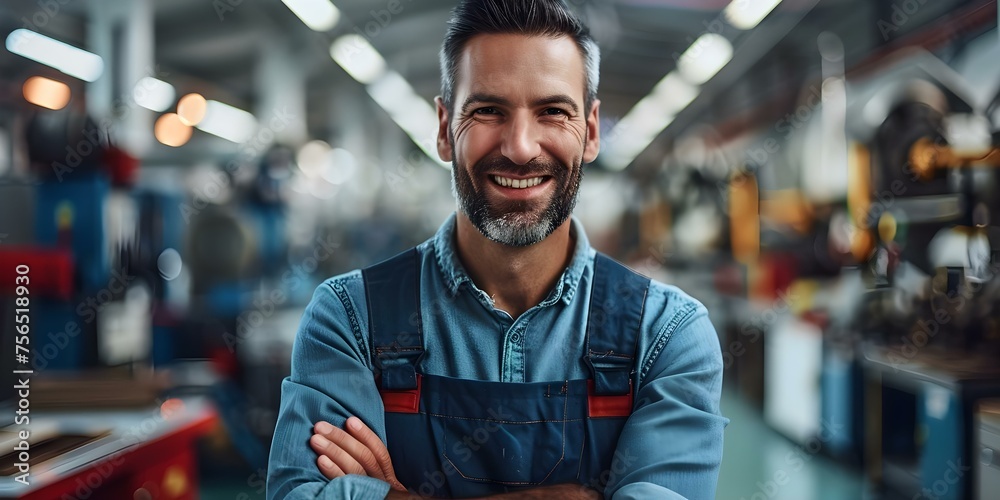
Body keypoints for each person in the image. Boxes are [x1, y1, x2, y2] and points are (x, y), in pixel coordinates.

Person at [266, 0, 727, 498]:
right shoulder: (349, 320)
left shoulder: (667, 335)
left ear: (591, 131)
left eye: (553, 111)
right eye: (488, 110)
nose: (520, 147)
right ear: (444, 129)